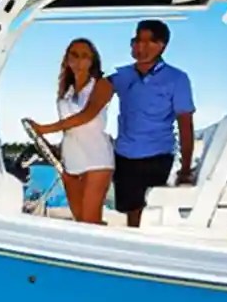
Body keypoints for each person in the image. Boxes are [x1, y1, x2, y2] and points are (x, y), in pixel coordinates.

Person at [107, 19, 195, 228]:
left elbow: (185, 124)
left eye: (148, 42)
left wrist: (185, 169)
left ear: (162, 45)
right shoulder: (120, 75)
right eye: (137, 41)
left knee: (147, 213)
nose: (140, 47)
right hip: (124, 153)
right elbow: (91, 100)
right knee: (130, 212)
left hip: (157, 154)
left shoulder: (177, 78)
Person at [28, 38, 114, 225]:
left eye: (84, 56)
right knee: (80, 222)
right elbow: (70, 129)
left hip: (97, 158)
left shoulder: (102, 84)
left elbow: (86, 116)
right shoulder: (65, 90)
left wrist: (45, 129)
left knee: (91, 221)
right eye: (74, 55)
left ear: (92, 61)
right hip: (71, 159)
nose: (79, 60)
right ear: (67, 60)